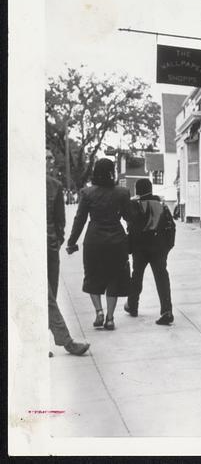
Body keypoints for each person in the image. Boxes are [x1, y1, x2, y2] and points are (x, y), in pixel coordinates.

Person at [66, 158, 131, 331]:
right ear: (112, 172)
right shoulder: (122, 192)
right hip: (117, 241)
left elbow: (79, 220)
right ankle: (110, 318)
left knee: (93, 276)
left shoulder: (87, 193)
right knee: (114, 279)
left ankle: (99, 312)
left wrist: (71, 242)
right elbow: (129, 218)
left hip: (94, 241)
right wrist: (132, 241)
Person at [46, 148, 90, 356]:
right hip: (28, 249)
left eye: (50, 157)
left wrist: (56, 240)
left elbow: (60, 221)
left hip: (50, 248)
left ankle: (39, 341)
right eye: (44, 157)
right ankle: (66, 341)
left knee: (50, 293)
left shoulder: (55, 186)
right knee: (45, 296)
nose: (48, 161)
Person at [125, 178, 176, 326]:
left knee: (137, 275)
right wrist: (167, 246)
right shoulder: (161, 205)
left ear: (137, 191)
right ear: (151, 189)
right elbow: (170, 226)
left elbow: (130, 223)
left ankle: (132, 305)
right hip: (159, 247)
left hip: (139, 247)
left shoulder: (134, 205)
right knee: (161, 277)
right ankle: (167, 310)